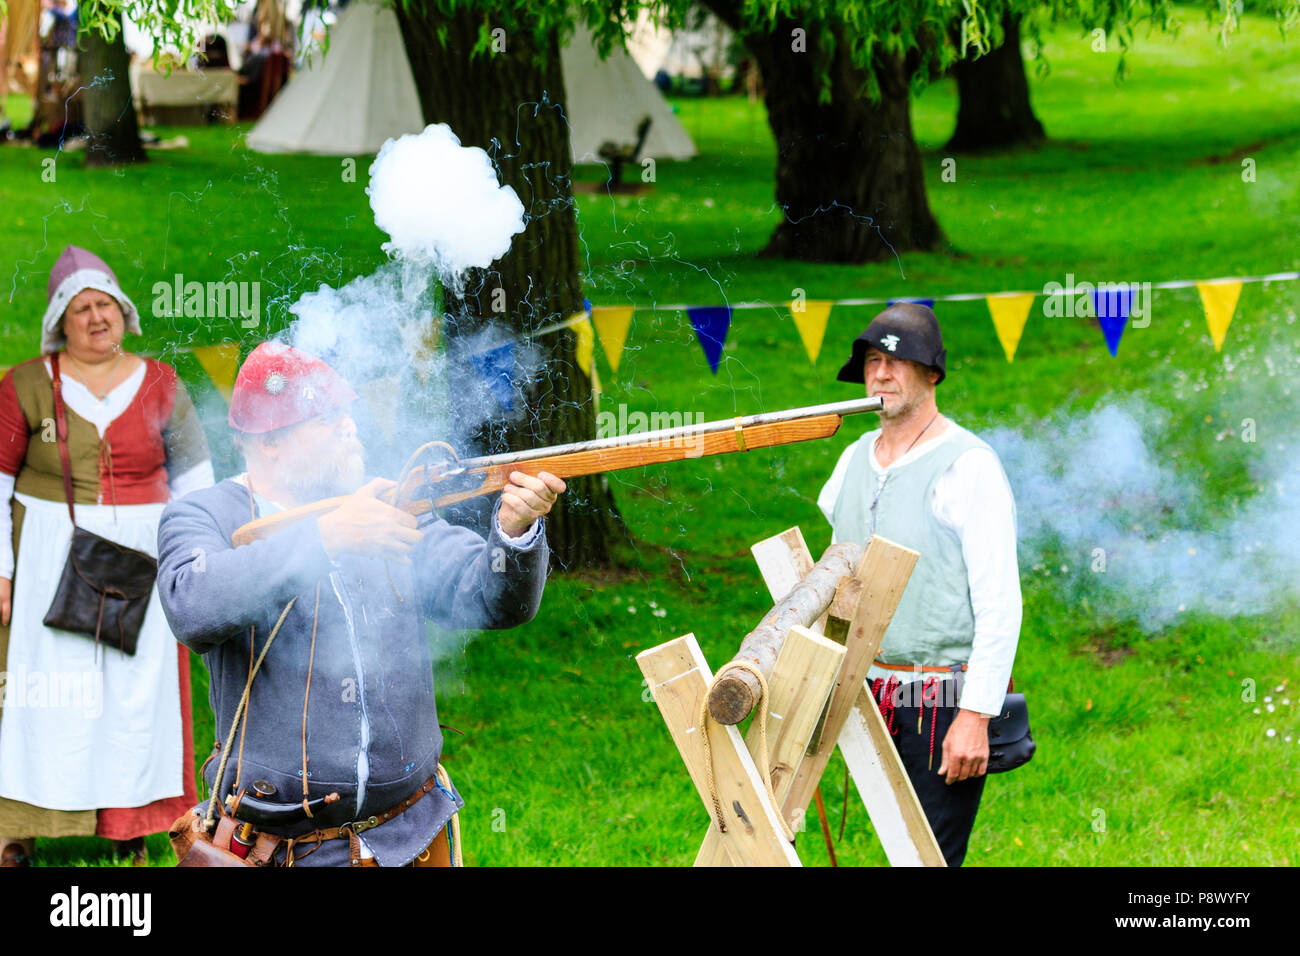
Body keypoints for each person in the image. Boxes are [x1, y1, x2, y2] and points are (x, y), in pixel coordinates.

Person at [155, 342, 563, 866]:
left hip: (411, 831)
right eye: (325, 419)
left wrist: (514, 533)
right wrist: (323, 541)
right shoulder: (203, 515)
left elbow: (488, 597)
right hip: (282, 848)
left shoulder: (384, 503)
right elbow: (191, 606)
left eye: (345, 411)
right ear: (269, 442)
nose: (350, 425)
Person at [0, 245, 214, 867]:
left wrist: (194, 561)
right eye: (80, 307)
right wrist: (2, 570)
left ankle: (134, 829)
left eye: (106, 305)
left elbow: (197, 476)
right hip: (45, 560)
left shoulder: (160, 382)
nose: (96, 318)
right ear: (59, 322)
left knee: (135, 697)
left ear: (124, 312)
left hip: (142, 565)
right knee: (47, 698)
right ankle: (16, 830)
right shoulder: (23, 386)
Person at [817, 303, 1022, 867]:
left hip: (941, 698)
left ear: (931, 373)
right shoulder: (852, 460)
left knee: (926, 859)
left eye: (898, 360)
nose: (881, 373)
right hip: (867, 692)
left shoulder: (969, 467)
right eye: (873, 361)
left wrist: (976, 715)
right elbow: (831, 579)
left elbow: (1000, 603)